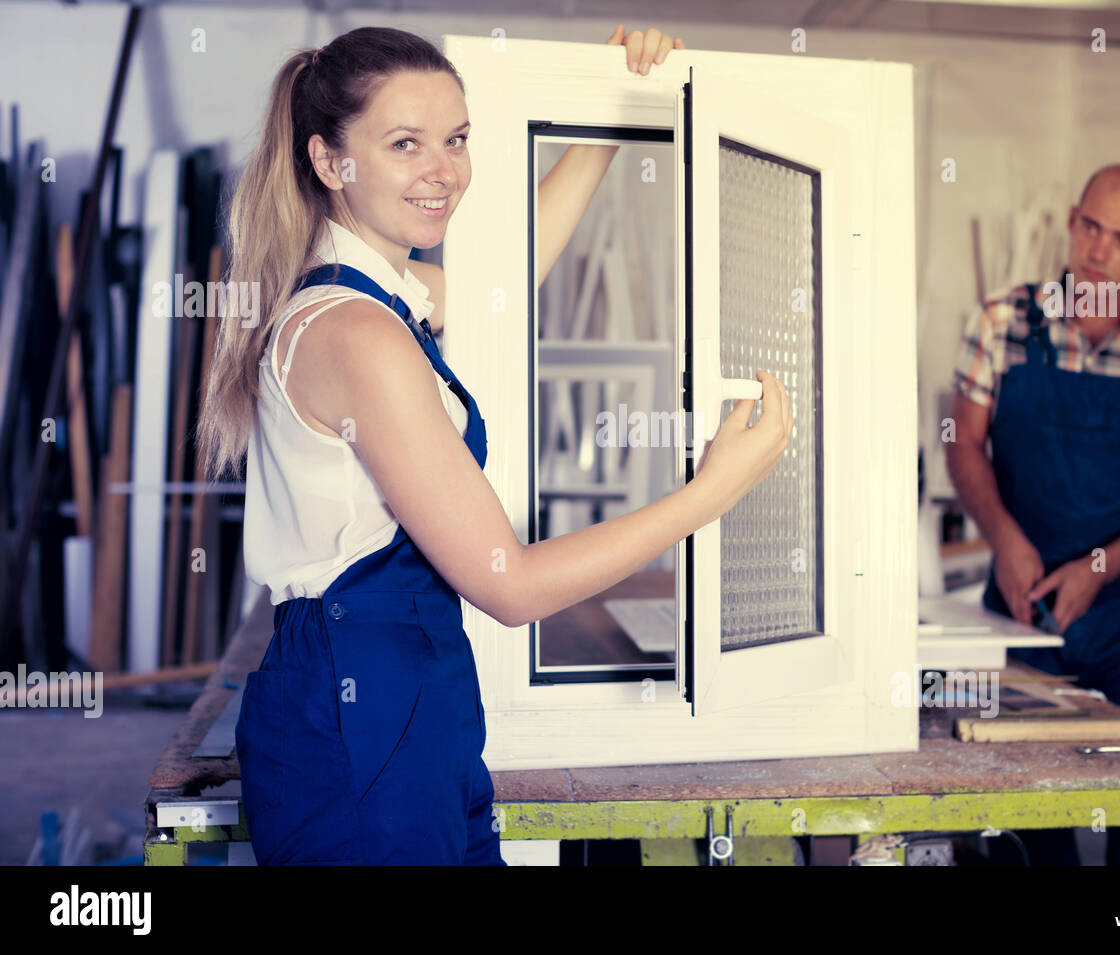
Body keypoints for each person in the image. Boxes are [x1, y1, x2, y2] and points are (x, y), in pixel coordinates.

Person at [196, 25, 792, 865]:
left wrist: (613, 108)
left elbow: (506, 284)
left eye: (457, 139)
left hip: (405, 706)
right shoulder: (357, 333)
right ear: (331, 162)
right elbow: (511, 584)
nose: (443, 170)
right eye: (405, 144)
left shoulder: (371, 296)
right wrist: (711, 493)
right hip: (361, 722)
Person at [945, 164, 1120, 865]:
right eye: (1090, 228)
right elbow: (965, 448)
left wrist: (1100, 566)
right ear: (1071, 222)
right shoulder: (1002, 320)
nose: (1100, 252)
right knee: (1020, 822)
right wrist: (1004, 538)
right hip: (1021, 605)